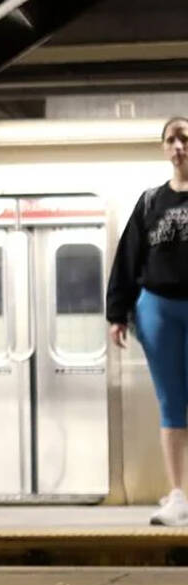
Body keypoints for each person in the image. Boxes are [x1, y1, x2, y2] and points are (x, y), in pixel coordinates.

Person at [106, 116, 188, 526]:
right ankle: (178, 496)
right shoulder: (150, 201)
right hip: (158, 307)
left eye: (185, 139)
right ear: (163, 149)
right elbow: (128, 257)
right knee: (172, 402)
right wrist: (116, 313)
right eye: (171, 140)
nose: (179, 146)